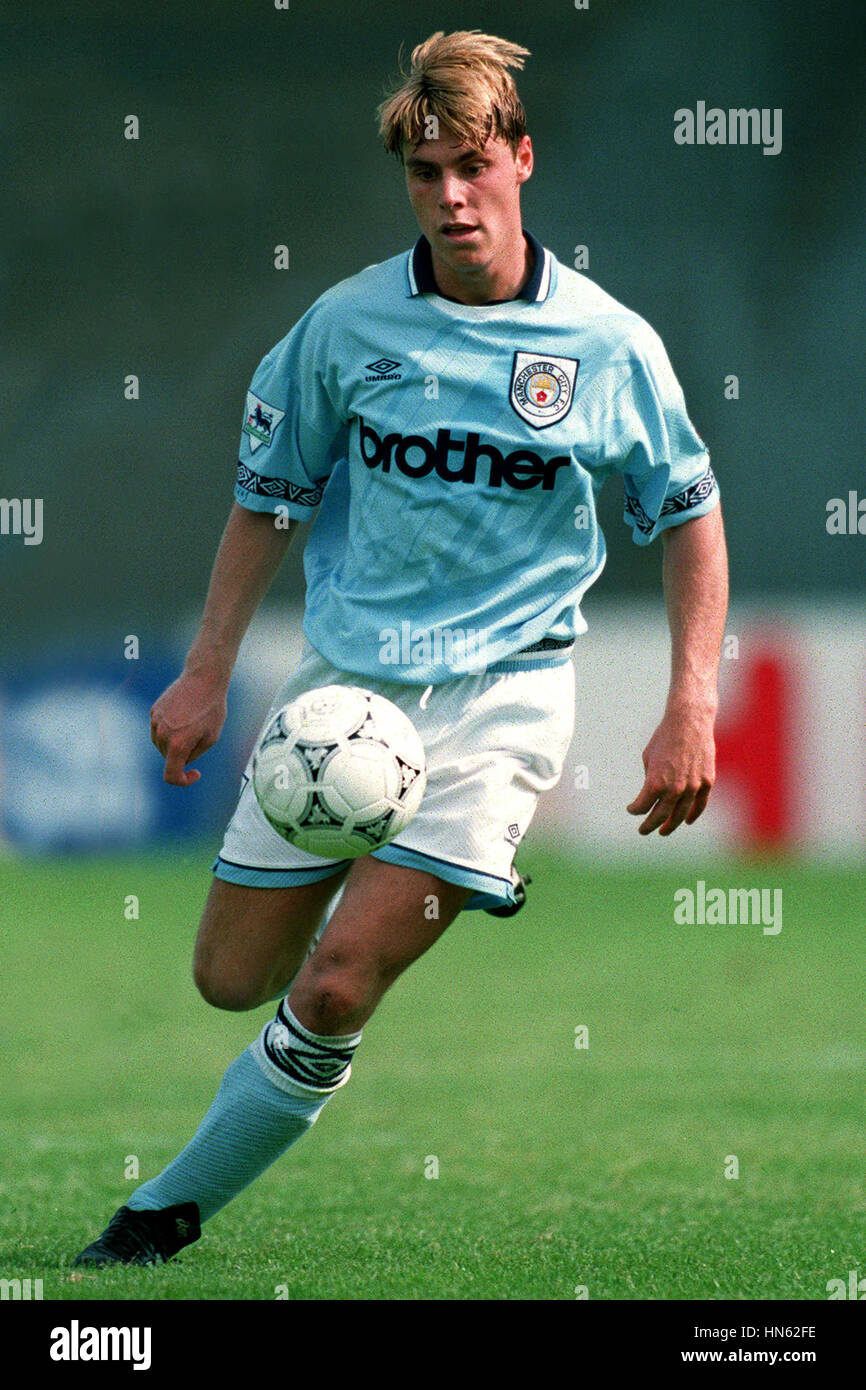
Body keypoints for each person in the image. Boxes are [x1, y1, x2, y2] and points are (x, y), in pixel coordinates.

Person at [74, 29, 727, 1267]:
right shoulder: (343, 327)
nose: (450, 196)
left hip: (500, 704)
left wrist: (691, 697)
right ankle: (410, 897)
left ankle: (159, 1218)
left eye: (473, 166)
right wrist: (209, 667)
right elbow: (270, 496)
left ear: (522, 160)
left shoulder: (603, 345)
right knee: (229, 978)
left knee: (330, 988)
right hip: (340, 704)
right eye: (425, 174)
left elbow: (689, 514)